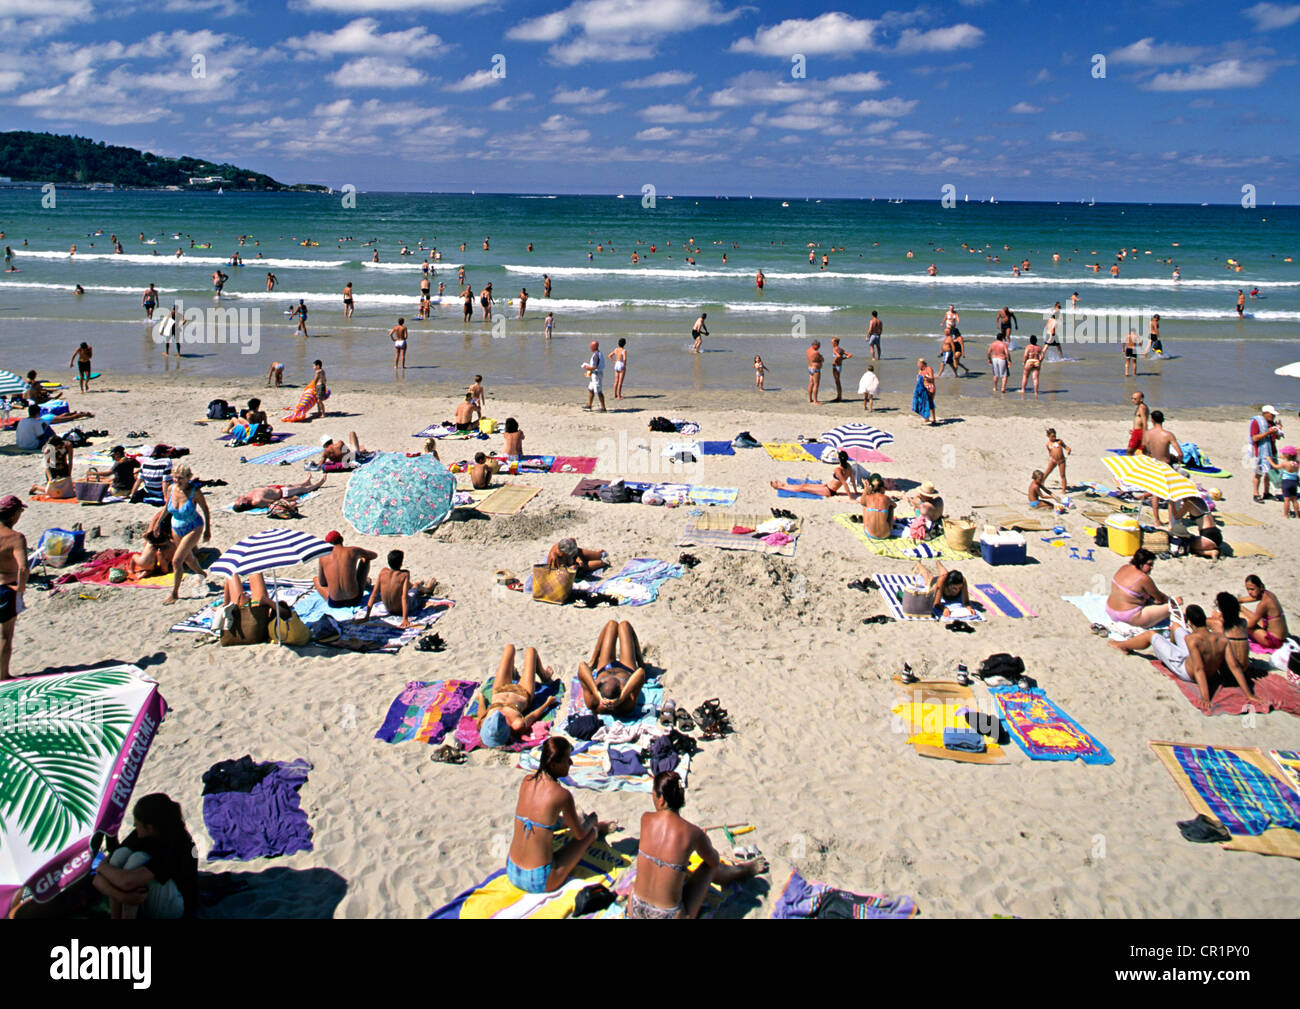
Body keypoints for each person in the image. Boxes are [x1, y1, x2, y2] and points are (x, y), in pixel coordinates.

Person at [629, 770, 766, 918]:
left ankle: (742, 870)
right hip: (667, 916)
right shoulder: (693, 833)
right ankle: (743, 871)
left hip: (635, 909)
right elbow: (713, 860)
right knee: (709, 866)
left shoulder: (646, 819)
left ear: (661, 799)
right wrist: (703, 840)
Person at [501, 736, 613, 891]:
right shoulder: (561, 794)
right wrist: (592, 820)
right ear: (554, 764)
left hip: (512, 869)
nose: (571, 763)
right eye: (567, 760)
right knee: (587, 835)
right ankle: (598, 829)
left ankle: (591, 826)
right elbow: (579, 834)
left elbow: (539, 816)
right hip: (539, 880)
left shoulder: (526, 781)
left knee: (548, 823)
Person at [1111, 599, 1258, 711]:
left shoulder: (1192, 639)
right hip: (1201, 665)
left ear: (1190, 622)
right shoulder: (1222, 638)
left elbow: (1199, 669)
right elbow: (1235, 667)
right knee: (1175, 627)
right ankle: (1171, 645)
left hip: (1186, 670)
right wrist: (1249, 693)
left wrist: (1205, 697)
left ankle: (1121, 645)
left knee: (1151, 635)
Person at [91, 793, 198, 919]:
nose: (135, 827)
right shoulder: (143, 834)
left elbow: (127, 882)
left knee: (137, 860)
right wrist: (123, 897)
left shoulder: (177, 844)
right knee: (119, 856)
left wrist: (101, 866)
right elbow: (97, 880)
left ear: (150, 828)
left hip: (177, 906)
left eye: (137, 824)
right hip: (147, 897)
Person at [477, 645, 561, 750]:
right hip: (522, 693)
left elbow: (481, 713)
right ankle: (544, 675)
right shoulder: (516, 725)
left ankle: (512, 672)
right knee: (531, 651)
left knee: (509, 648)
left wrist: (481, 699)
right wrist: (547, 704)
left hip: (499, 691)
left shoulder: (483, 723)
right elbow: (533, 716)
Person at [576, 620, 647, 716]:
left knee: (611, 624)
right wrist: (621, 698)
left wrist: (596, 693)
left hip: (604, 668)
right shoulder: (626, 705)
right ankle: (641, 662)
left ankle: (593, 661)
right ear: (621, 690)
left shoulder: (594, 703)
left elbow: (582, 666)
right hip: (626, 669)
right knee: (624, 625)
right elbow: (640, 672)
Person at [163, 463, 211, 606]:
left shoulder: (195, 492)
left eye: (181, 478)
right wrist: (158, 525)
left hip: (194, 526)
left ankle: (174, 593)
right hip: (176, 526)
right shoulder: (171, 488)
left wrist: (208, 530)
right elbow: (166, 507)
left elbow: (206, 510)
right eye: (175, 477)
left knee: (177, 560)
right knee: (188, 558)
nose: (177, 481)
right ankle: (201, 574)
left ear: (189, 478)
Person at [365, 550, 437, 628]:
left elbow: (373, 594)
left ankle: (417, 585)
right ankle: (428, 589)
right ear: (401, 563)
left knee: (408, 586)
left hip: (388, 609)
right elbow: (404, 597)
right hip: (401, 610)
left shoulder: (382, 572)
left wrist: (366, 616)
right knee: (416, 586)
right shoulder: (404, 575)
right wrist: (404, 619)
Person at [1105, 548, 1173, 627]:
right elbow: (1161, 597)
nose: (1152, 567)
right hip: (1127, 617)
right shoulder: (1143, 578)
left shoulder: (1124, 567)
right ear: (1141, 564)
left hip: (1110, 610)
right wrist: (1173, 602)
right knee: (1171, 607)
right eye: (1149, 564)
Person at [0, 495, 28, 680]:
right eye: (20, 511)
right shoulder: (16, 538)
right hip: (5, 590)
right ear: (13, 515)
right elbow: (23, 567)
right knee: (5, 636)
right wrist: (21, 588)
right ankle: (2, 676)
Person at [313, 530, 376, 607]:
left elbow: (322, 583)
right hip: (355, 599)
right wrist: (358, 555)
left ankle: (362, 582)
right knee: (366, 559)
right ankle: (364, 581)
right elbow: (373, 555)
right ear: (342, 539)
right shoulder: (353, 550)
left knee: (315, 579)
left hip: (335, 602)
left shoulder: (323, 556)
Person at [1238, 574, 1289, 650]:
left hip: (1274, 641)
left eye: (1252, 589)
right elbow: (1247, 599)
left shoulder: (1263, 604)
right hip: (1281, 637)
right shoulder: (1268, 594)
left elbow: (1250, 625)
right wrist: (1236, 601)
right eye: (1248, 589)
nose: (1249, 592)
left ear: (1261, 587)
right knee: (1241, 608)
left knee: (1239, 616)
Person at [229, 474, 326, 512]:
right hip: (282, 493)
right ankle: (317, 484)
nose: (238, 498)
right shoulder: (257, 501)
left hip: (275, 489)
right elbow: (275, 501)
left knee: (292, 485)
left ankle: (306, 482)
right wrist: (292, 499)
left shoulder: (247, 497)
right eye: (238, 500)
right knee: (301, 489)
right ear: (244, 503)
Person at [1249, 405, 1280, 503]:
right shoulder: (1256, 422)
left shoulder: (1271, 423)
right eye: (1272, 415)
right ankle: (1256, 494)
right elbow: (1254, 438)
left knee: (1269, 473)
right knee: (1258, 473)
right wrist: (1268, 432)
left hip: (1272, 451)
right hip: (1261, 452)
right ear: (1265, 413)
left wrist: (1278, 431)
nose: (1273, 417)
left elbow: (1277, 437)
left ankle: (1266, 493)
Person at [132, 510, 175, 578]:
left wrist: (131, 570)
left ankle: (142, 571)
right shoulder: (168, 542)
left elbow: (145, 535)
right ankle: (154, 570)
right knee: (161, 559)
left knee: (134, 556)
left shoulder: (150, 542)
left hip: (143, 562)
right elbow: (159, 554)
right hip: (170, 559)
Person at [34, 433, 74, 498]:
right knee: (54, 492)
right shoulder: (47, 450)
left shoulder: (67, 446)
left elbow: (70, 461)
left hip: (63, 468)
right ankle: (36, 487)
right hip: (53, 470)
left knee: (65, 491)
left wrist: (69, 474)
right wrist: (50, 478)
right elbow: (47, 467)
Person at [859, 474, 896, 539]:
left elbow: (862, 502)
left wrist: (866, 489)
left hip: (870, 534)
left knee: (865, 506)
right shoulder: (886, 498)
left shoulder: (868, 498)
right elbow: (895, 505)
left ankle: (866, 526)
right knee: (891, 507)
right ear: (882, 488)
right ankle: (891, 527)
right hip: (886, 534)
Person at [1269, 445, 1299, 517]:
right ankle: (1298, 514)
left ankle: (1286, 515)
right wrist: (1284, 458)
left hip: (1286, 482)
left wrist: (1269, 460)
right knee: (1294, 500)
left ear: (1287, 456)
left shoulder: (1285, 464)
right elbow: (1292, 460)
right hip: (1294, 482)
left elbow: (1275, 466)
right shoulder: (1297, 463)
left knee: (1286, 500)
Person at [1043, 428, 1071, 492]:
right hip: (1053, 460)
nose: (1054, 438)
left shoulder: (1059, 441)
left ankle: (1063, 489)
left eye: (1055, 436)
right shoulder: (1048, 444)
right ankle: (1041, 483)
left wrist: (1068, 450)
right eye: (1052, 436)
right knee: (1047, 472)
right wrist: (1051, 457)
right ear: (1048, 436)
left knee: (1062, 475)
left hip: (1061, 461)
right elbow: (1050, 452)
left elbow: (1066, 447)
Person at [583, 340, 607, 412]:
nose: (590, 347)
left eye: (591, 346)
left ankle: (603, 408)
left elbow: (594, 367)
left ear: (595, 346)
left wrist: (586, 367)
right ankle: (589, 405)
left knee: (599, 391)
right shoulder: (597, 353)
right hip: (595, 374)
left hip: (597, 375)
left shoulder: (596, 355)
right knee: (591, 389)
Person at [830, 337, 852, 401]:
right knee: (838, 382)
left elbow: (838, 356)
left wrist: (834, 361)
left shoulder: (834, 349)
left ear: (835, 343)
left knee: (837, 382)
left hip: (836, 367)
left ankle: (839, 397)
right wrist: (843, 359)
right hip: (839, 366)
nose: (831, 343)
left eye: (832, 342)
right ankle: (839, 396)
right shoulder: (841, 349)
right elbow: (850, 355)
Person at [916, 358, 937, 425]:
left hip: (930, 387)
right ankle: (927, 417)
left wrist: (926, 377)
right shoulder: (920, 370)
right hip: (923, 388)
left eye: (919, 363)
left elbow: (932, 378)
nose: (918, 365)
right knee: (924, 403)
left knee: (930, 402)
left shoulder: (929, 369)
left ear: (922, 364)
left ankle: (933, 418)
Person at [805, 340, 824, 405]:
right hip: (815, 369)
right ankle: (815, 401)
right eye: (818, 346)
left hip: (810, 367)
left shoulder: (807, 350)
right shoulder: (816, 353)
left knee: (811, 383)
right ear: (814, 345)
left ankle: (810, 399)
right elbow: (822, 359)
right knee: (816, 384)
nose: (819, 347)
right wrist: (821, 357)